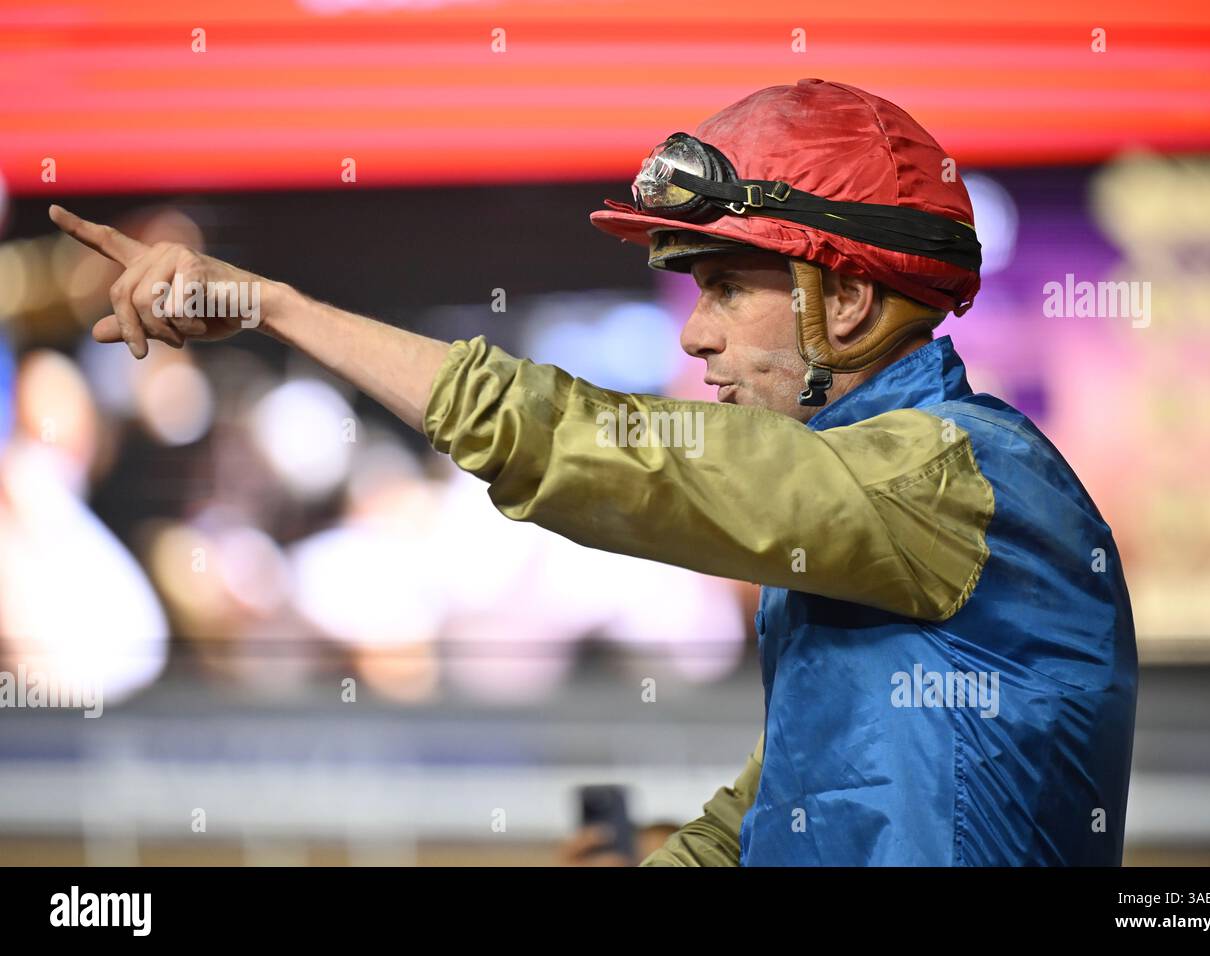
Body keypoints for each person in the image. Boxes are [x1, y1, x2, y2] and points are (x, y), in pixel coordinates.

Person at [50, 78, 1137, 866]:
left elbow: (591, 447)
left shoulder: (945, 476)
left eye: (722, 288)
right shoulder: (876, 514)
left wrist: (271, 306)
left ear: (844, 301)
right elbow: (795, 806)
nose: (698, 334)